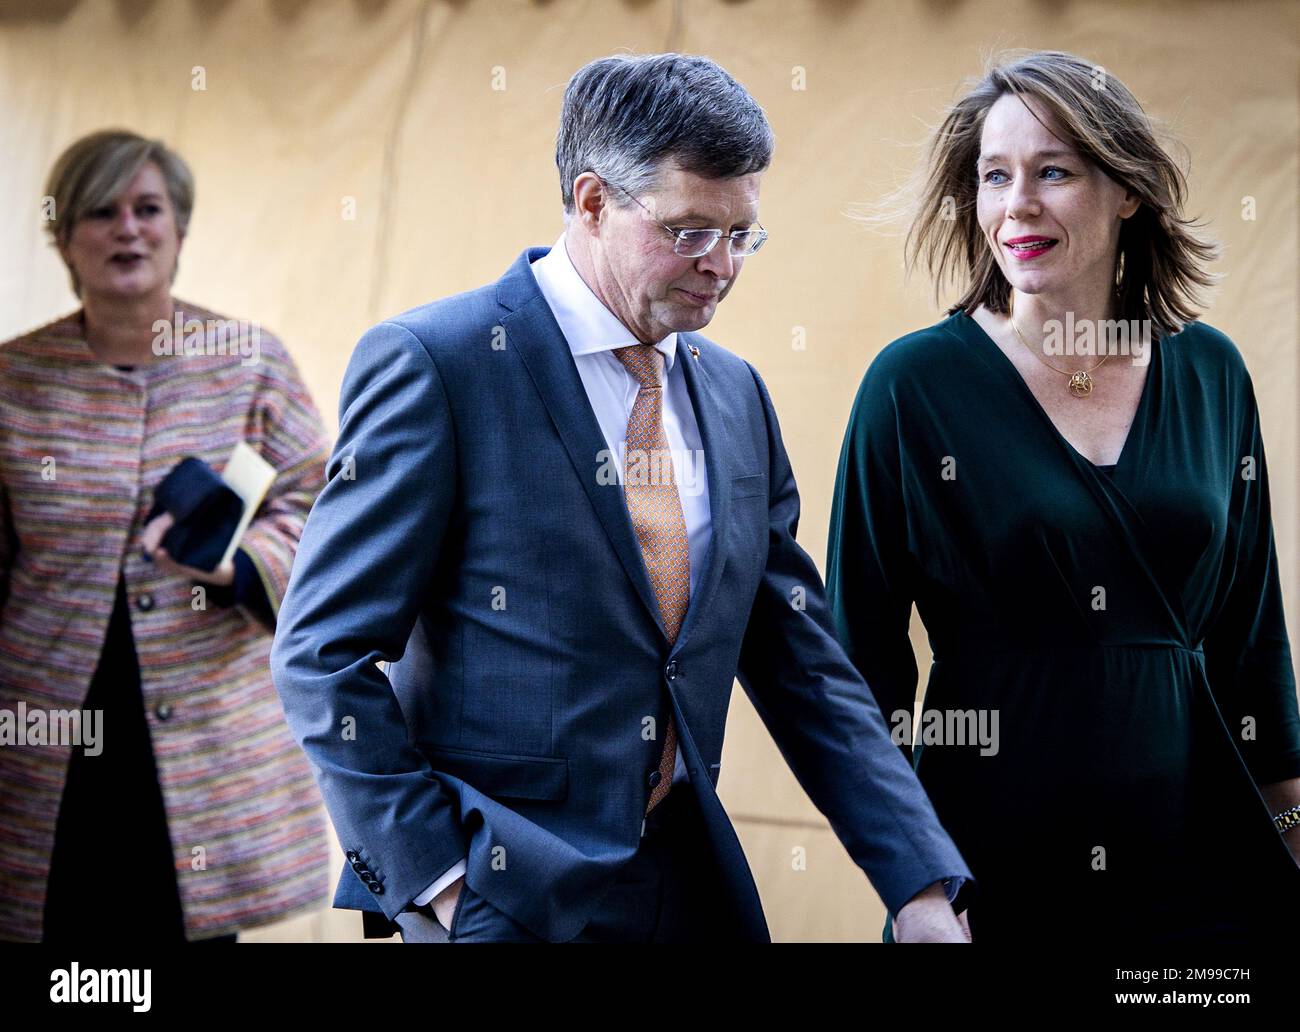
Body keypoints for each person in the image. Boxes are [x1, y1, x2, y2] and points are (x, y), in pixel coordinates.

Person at [271, 53, 971, 943]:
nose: (721, 265)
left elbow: (805, 666)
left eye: (742, 234)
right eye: (688, 231)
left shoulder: (738, 396)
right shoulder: (437, 363)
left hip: (691, 890)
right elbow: (321, 653)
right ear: (593, 200)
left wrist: (918, 885)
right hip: (495, 894)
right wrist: (440, 885)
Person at [827, 50, 1300, 945]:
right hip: (986, 865)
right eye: (994, 176)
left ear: (1126, 190)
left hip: (1197, 862)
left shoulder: (1211, 373)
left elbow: (1251, 642)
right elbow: (859, 672)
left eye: (1054, 172)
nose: (1018, 207)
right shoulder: (912, 386)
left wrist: (1289, 832)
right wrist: (915, 891)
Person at [0, 129, 333, 943]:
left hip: (204, 731)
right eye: (101, 211)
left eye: (148, 209)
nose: (128, 229)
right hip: (45, 725)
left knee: (186, 927)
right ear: (63, 237)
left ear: (178, 231)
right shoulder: (12, 377)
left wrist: (240, 563)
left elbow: (321, 506)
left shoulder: (249, 363)